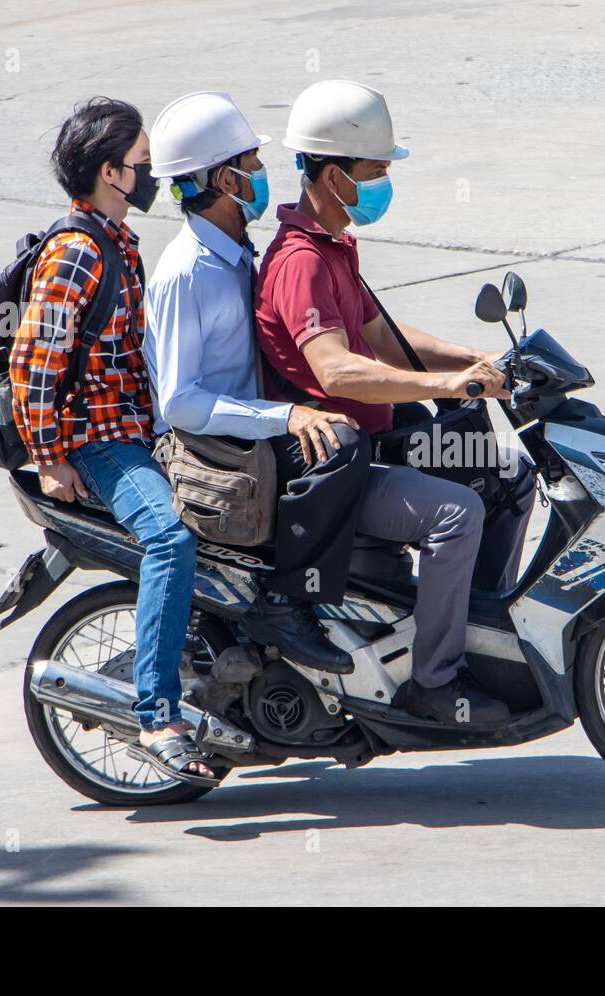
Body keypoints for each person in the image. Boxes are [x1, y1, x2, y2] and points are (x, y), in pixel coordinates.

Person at [255, 80, 535, 726]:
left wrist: (473, 361)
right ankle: (435, 681)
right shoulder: (300, 263)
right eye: (374, 171)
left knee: (509, 475)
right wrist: (447, 386)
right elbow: (339, 370)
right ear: (331, 175)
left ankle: (479, 632)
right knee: (456, 514)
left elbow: (386, 338)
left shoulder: (334, 247)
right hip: (329, 468)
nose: (383, 182)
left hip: (370, 446)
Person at [8, 97, 215, 785]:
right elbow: (33, 364)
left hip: (137, 432)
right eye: (143, 165)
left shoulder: (118, 242)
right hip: (98, 445)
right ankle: (158, 717)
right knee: (169, 539)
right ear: (109, 172)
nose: (153, 176)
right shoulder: (75, 252)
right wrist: (49, 459)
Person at [143, 91, 368, 675]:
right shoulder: (186, 273)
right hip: (207, 442)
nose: (262, 175)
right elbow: (181, 401)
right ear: (223, 179)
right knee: (341, 446)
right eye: (251, 165)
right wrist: (287, 417)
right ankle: (285, 604)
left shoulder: (237, 250)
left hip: (247, 421)